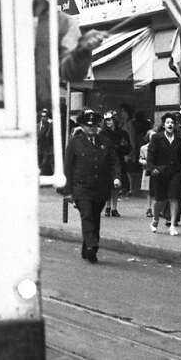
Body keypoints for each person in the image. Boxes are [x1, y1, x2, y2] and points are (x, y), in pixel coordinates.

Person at [30, 0, 102, 113]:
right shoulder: (3, 16)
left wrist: (82, 50)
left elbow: (72, 73)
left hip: (41, 108)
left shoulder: (64, 23)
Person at [60, 109, 119, 263]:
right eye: (88, 126)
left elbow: (114, 161)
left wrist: (117, 177)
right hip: (81, 187)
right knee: (86, 215)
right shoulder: (75, 142)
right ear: (82, 126)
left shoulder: (105, 141)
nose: (92, 128)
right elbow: (67, 167)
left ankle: (87, 248)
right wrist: (67, 192)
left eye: (94, 126)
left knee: (94, 217)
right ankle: (93, 245)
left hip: (100, 187)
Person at [146, 111, 181, 235]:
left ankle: (173, 225)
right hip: (160, 172)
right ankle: (155, 219)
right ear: (163, 125)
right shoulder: (157, 137)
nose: (170, 125)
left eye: (172, 123)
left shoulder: (180, 137)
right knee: (160, 200)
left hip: (176, 172)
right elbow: (150, 155)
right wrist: (152, 169)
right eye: (168, 122)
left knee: (174, 198)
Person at [98, 111, 129, 217]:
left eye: (110, 120)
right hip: (106, 161)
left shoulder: (121, 133)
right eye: (106, 120)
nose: (108, 122)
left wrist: (121, 148)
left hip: (118, 160)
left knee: (117, 185)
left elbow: (128, 147)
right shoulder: (102, 134)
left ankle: (114, 208)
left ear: (114, 120)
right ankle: (107, 207)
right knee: (107, 184)